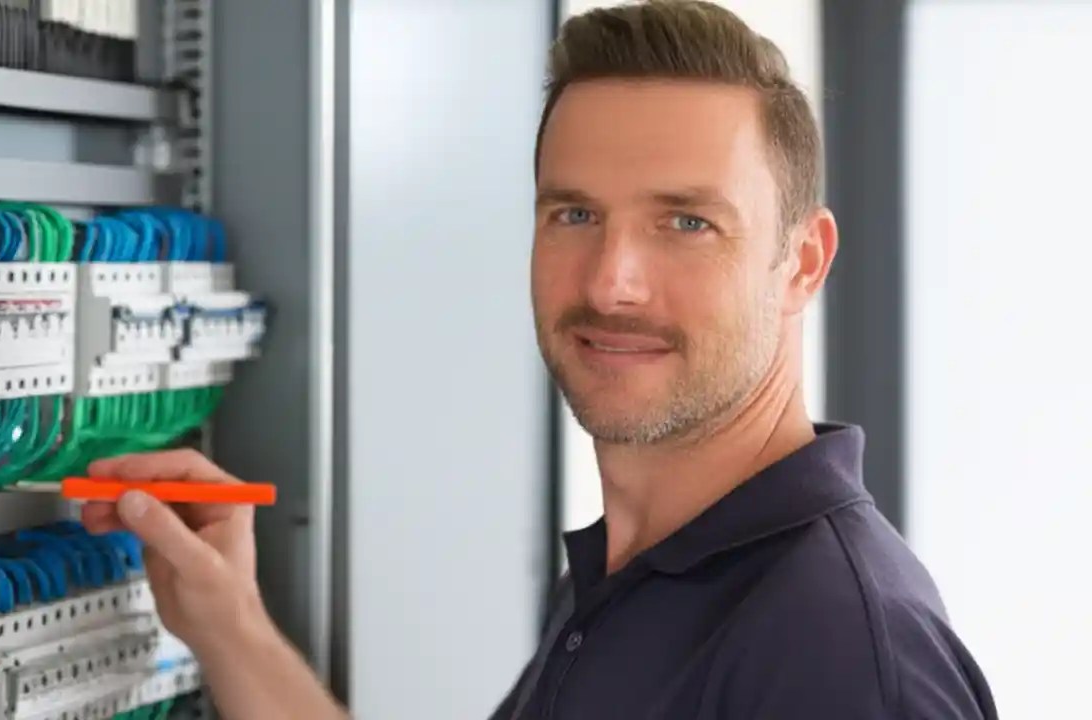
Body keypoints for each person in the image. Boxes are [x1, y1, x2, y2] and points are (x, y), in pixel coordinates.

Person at [81, 1, 998, 718]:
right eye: (575, 215)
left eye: (687, 222)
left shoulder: (840, 656)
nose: (612, 283)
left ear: (801, 262)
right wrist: (229, 626)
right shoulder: (631, 576)